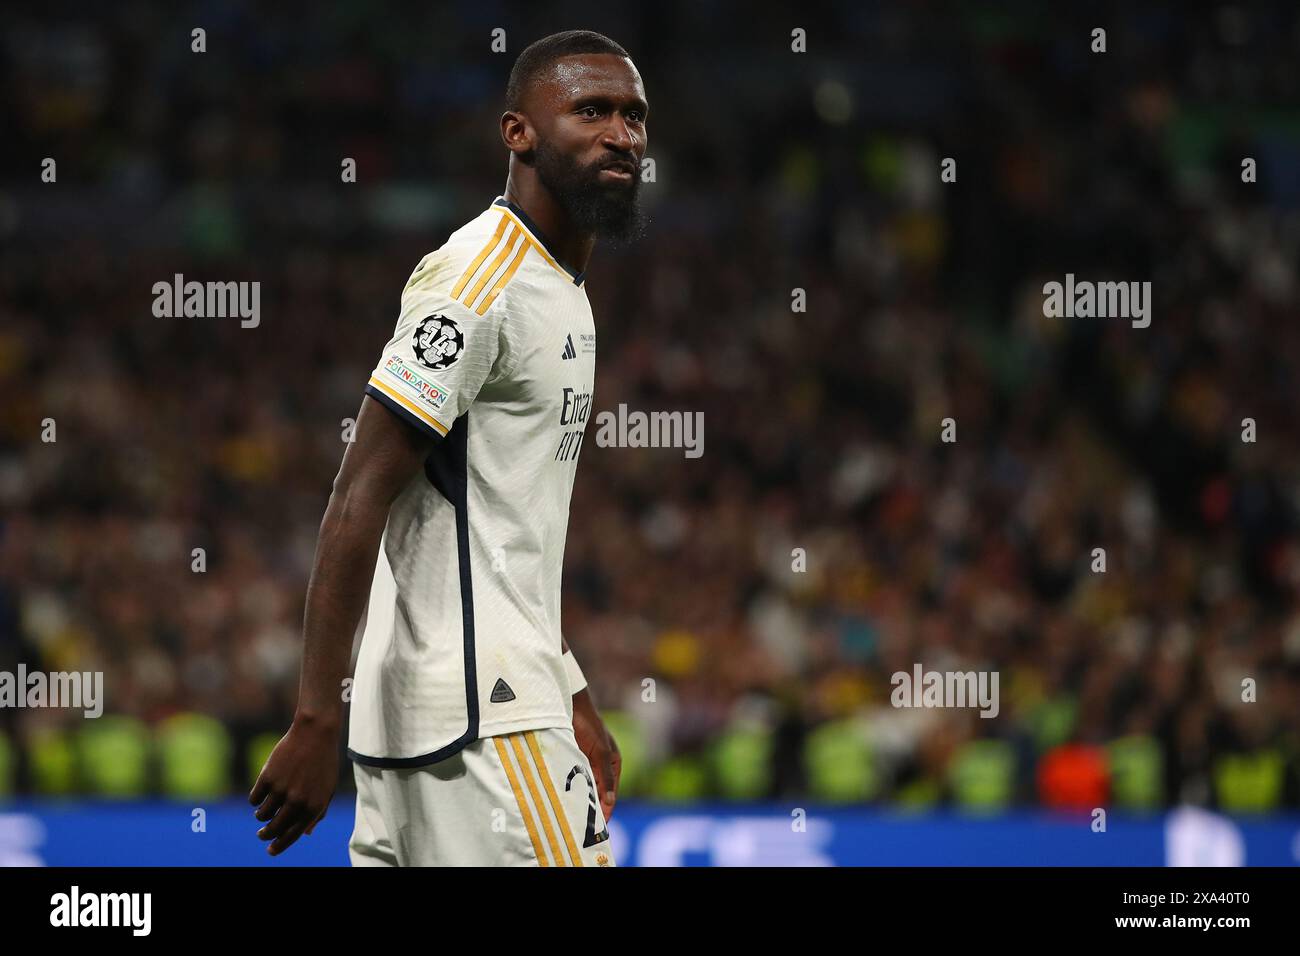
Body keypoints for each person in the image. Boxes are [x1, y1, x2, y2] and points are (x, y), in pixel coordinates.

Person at [249, 29, 649, 866]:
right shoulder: (481, 282)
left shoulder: (560, 287)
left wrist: (568, 690)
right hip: (487, 734)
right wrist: (315, 718)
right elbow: (357, 496)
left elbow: (491, 531)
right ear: (519, 133)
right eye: (592, 110)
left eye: (634, 116)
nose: (622, 134)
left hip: (448, 722)